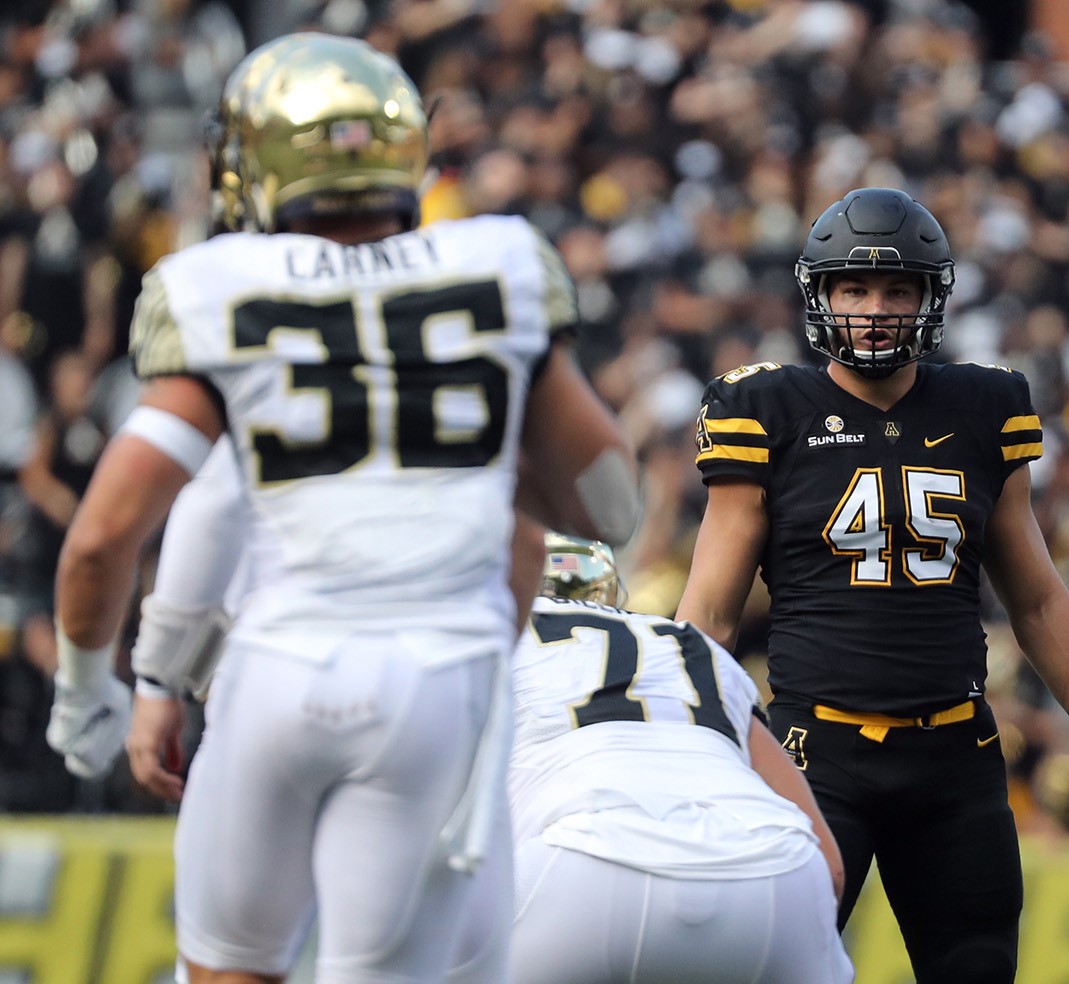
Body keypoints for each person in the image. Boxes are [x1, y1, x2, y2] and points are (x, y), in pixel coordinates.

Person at [47, 32, 639, 984]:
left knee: (230, 969)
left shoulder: (221, 289)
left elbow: (111, 536)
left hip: (273, 676)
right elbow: (610, 502)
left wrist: (106, 688)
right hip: (436, 686)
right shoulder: (496, 269)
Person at [674, 186, 1069, 983]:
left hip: (955, 753)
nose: (876, 308)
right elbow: (712, 608)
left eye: (898, 290)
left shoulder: (983, 406)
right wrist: (674, 737)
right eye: (853, 288)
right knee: (778, 969)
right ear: (819, 295)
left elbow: (1034, 595)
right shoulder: (766, 408)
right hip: (814, 751)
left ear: (932, 299)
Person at [507, 531, 853, 984]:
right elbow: (830, 865)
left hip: (582, 867)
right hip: (771, 874)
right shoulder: (691, 647)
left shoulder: (494, 641)